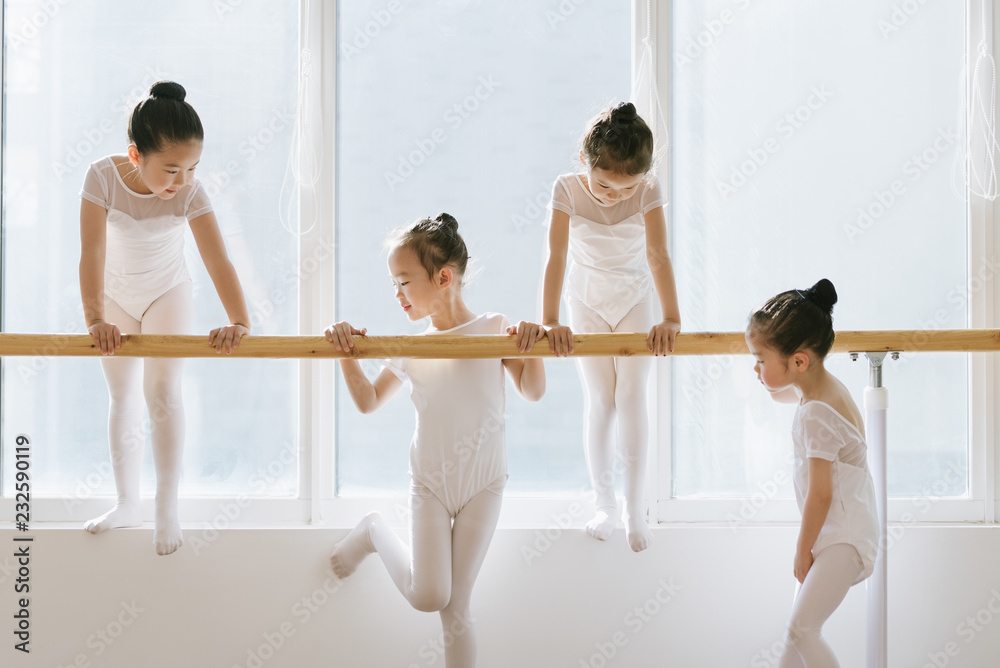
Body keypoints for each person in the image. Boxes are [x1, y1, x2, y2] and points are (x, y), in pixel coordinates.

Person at [326, 213, 545, 668]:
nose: (397, 294)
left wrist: (533, 346)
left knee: (455, 608)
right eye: (393, 284)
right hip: (430, 484)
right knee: (429, 596)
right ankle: (372, 530)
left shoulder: (492, 327)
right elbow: (368, 401)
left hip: (484, 483)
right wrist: (346, 355)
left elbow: (533, 390)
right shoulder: (410, 347)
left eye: (404, 282)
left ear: (443, 277)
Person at [79, 81, 250, 556]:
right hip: (114, 296)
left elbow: (218, 261)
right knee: (120, 393)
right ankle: (126, 502)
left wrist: (240, 320)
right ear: (135, 155)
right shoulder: (101, 177)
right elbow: (91, 252)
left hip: (166, 291)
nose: (182, 179)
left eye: (193, 167)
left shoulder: (188, 194)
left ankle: (165, 504)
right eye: (171, 168)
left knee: (160, 390)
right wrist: (95, 320)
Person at [520, 101, 680, 552]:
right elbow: (555, 258)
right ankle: (604, 502)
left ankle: (634, 507)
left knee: (632, 396)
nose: (613, 195)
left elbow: (658, 257)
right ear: (584, 163)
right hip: (585, 299)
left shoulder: (648, 190)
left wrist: (671, 317)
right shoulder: (567, 189)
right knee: (601, 400)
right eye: (605, 184)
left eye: (624, 189)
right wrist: (550, 320)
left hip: (634, 298)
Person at [746, 279, 878, 667]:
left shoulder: (817, 414)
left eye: (759, 359)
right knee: (795, 637)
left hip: (843, 539)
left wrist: (801, 550)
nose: (755, 369)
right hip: (842, 532)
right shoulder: (824, 390)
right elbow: (783, 391)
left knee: (801, 631)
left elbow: (820, 494)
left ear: (799, 361)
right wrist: (770, 372)